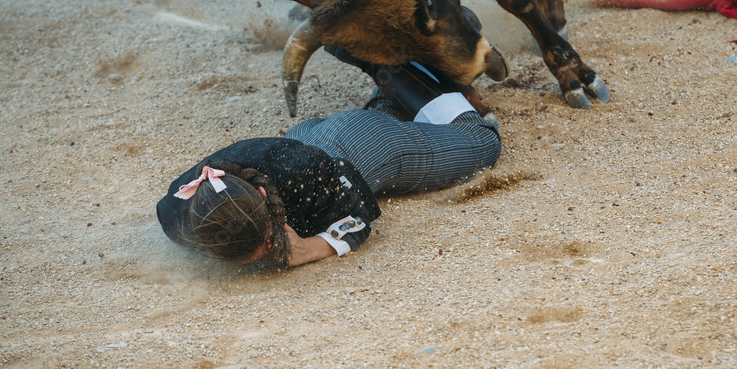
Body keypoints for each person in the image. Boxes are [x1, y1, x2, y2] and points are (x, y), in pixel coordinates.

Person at [156, 47, 501, 269]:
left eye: (265, 243)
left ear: (262, 195)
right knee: (392, 111)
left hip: (359, 146)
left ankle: (384, 56)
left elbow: (360, 214)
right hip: (299, 144)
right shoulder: (176, 213)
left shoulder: (307, 175)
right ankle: (396, 69)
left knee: (483, 142)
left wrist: (311, 247)